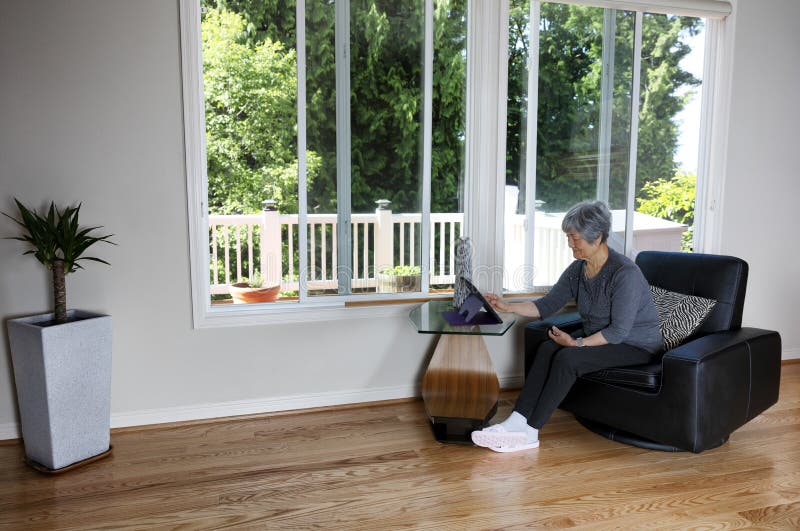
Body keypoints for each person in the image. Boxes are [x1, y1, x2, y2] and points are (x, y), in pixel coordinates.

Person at [472, 200, 664, 453]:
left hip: (635, 345)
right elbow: (546, 305)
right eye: (568, 237)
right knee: (547, 347)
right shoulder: (578, 270)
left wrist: (576, 344)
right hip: (600, 336)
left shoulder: (623, 274)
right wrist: (508, 306)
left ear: (596, 237)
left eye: (574, 238)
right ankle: (516, 421)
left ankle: (530, 433)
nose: (570, 244)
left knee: (568, 359)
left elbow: (618, 332)